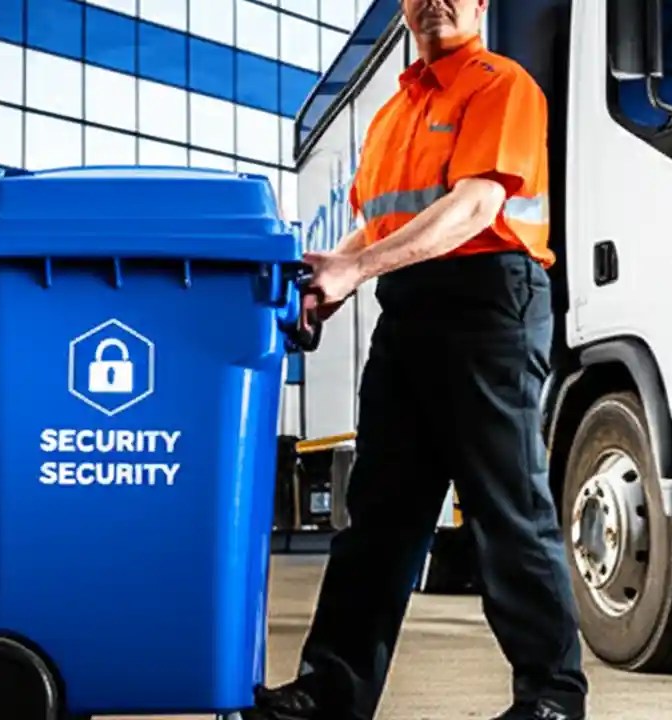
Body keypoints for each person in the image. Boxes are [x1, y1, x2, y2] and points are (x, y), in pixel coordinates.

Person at [246, 0, 588, 718]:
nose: (437, 0)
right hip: (408, 305)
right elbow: (381, 222)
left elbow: (473, 207)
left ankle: (552, 700)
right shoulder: (393, 112)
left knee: (506, 510)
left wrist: (355, 269)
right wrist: (328, 275)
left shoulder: (501, 85)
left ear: (481, 4)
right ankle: (332, 694)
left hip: (491, 299)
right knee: (379, 517)